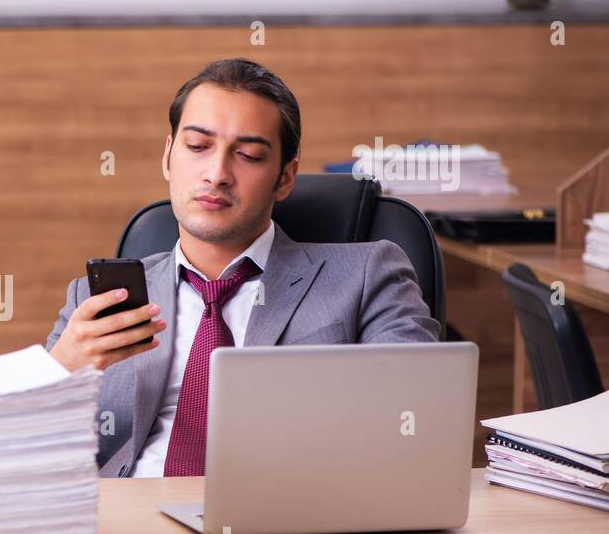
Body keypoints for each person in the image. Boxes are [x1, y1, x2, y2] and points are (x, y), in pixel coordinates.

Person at [46, 58, 439, 478]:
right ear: (168, 157)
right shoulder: (97, 300)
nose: (216, 174)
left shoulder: (367, 274)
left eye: (248, 155)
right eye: (197, 147)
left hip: (287, 522)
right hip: (128, 522)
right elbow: (22, 456)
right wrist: (55, 373)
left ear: (285, 177)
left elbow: (414, 424)